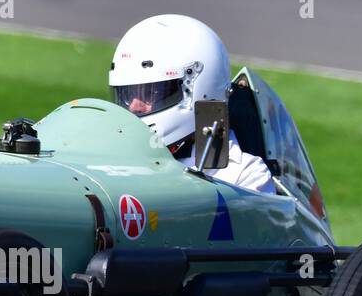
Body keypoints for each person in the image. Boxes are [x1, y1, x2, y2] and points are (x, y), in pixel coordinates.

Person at [109, 14, 275, 194]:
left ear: (199, 89)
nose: (134, 106)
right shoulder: (109, 156)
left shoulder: (243, 177)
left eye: (150, 93)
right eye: (127, 94)